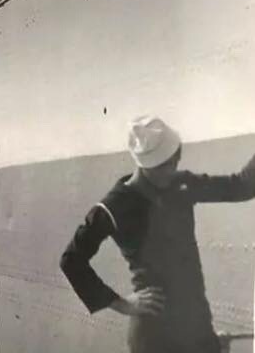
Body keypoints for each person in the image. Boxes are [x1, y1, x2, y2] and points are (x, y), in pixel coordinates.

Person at [60, 115, 255, 353]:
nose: (175, 169)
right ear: (147, 166)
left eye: (176, 160)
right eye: (169, 164)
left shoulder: (181, 184)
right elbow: (72, 260)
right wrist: (122, 304)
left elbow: (241, 186)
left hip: (197, 328)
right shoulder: (115, 205)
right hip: (154, 336)